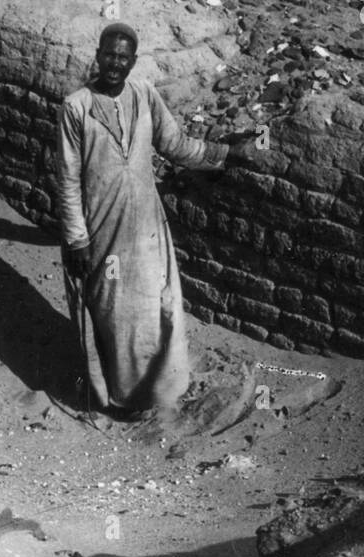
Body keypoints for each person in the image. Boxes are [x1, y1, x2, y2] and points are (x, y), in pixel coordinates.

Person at [56, 22, 248, 419]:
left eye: (123, 57)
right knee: (114, 314)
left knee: (154, 307)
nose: (115, 63)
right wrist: (77, 239)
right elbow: (67, 178)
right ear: (98, 54)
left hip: (145, 224)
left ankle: (160, 390)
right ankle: (121, 397)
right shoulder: (76, 107)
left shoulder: (143, 94)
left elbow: (175, 144)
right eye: (109, 54)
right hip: (101, 228)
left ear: (133, 61)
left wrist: (224, 154)